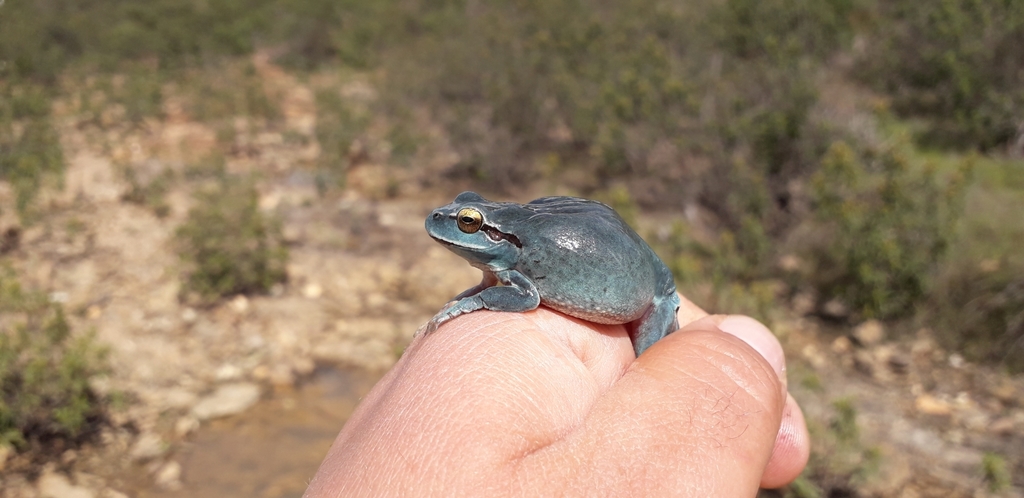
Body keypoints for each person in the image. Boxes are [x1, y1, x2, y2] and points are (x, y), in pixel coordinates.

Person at [304, 295, 810, 496]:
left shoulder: (517, 273)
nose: (448, 226)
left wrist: (477, 301)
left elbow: (522, 295)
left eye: (470, 223)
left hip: (642, 296)